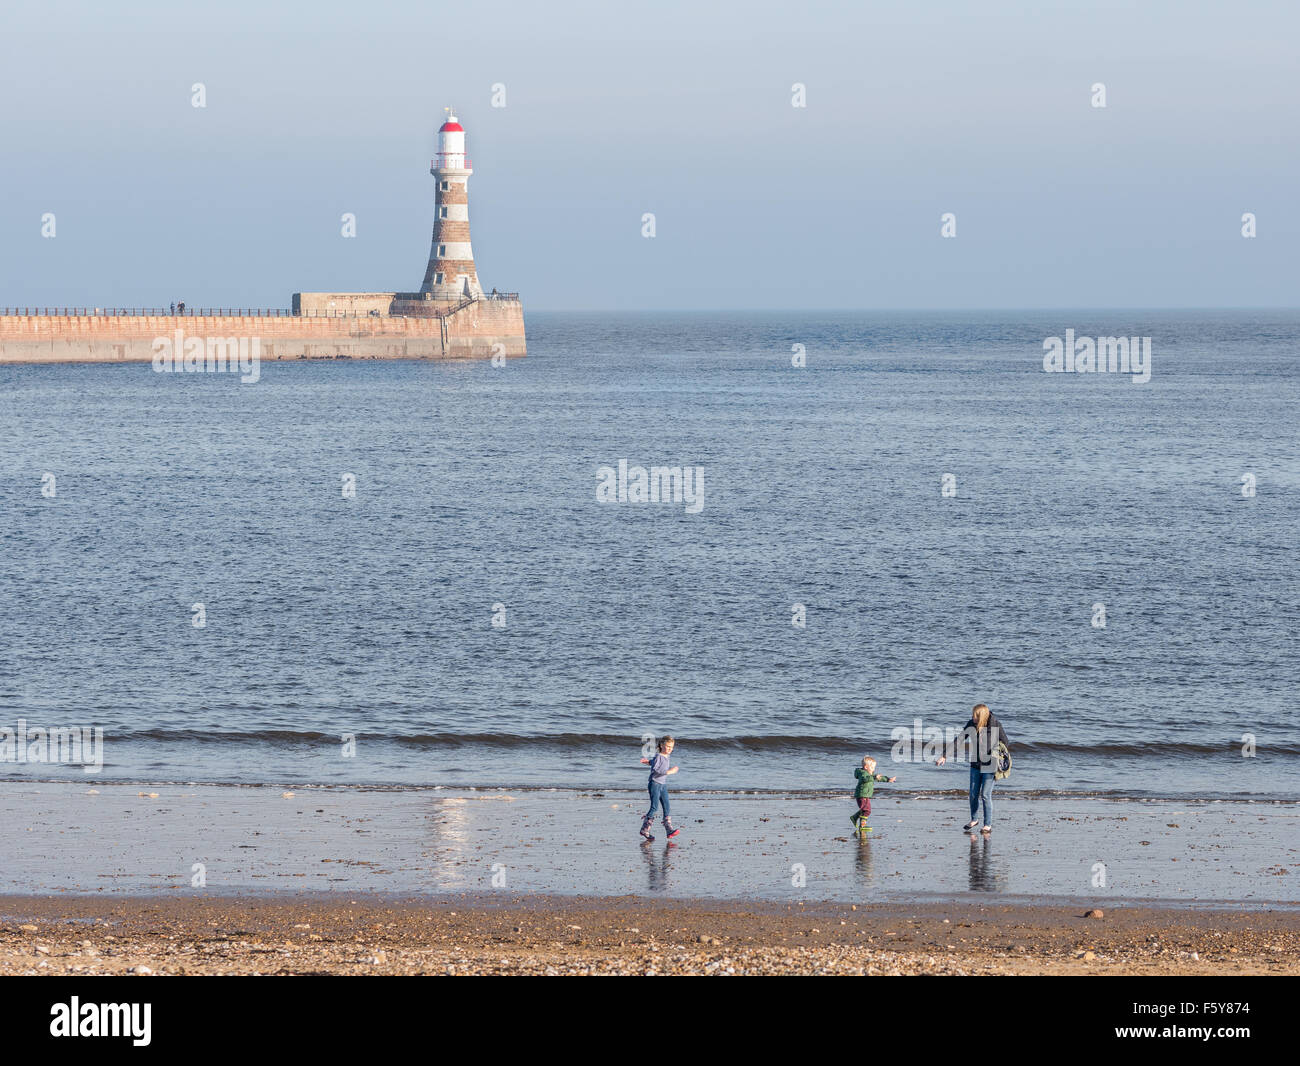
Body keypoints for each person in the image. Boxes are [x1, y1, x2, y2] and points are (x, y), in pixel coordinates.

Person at [936, 703, 1009, 834]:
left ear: (981, 716)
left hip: (990, 765)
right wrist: (944, 756)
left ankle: (988, 825)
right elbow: (959, 740)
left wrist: (997, 753)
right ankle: (974, 819)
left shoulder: (995, 724)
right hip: (975, 765)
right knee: (973, 794)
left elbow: (1005, 742)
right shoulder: (971, 724)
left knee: (985, 795)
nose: (972, 717)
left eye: (975, 715)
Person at [638, 736, 680, 841]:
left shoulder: (665, 756)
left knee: (667, 806)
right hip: (655, 784)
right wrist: (671, 771)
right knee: (654, 807)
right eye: (668, 746)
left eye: (672, 747)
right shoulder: (659, 756)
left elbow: (653, 763)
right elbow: (657, 771)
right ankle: (645, 829)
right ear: (662, 745)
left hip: (662, 784)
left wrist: (647, 762)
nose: (670, 749)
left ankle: (669, 830)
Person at [852, 756, 895, 833]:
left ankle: (855, 818)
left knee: (864, 810)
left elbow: (879, 778)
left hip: (865, 795)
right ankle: (862, 826)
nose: (874, 769)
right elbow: (866, 779)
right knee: (867, 810)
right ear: (866, 767)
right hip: (862, 795)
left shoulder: (869, 774)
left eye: (874, 767)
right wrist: (874, 777)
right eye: (872, 767)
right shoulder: (863, 774)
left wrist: (888, 779)